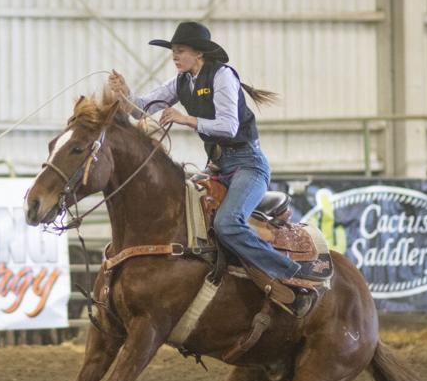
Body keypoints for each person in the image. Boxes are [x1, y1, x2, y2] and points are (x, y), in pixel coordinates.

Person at [126, 22, 328, 294]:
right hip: (218, 167)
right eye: (173, 51)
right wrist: (124, 94)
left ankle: (290, 272)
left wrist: (185, 119)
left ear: (199, 53)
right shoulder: (181, 82)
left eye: (180, 50)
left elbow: (229, 127)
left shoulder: (222, 76)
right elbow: (140, 109)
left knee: (227, 223)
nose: (174, 56)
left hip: (248, 164)